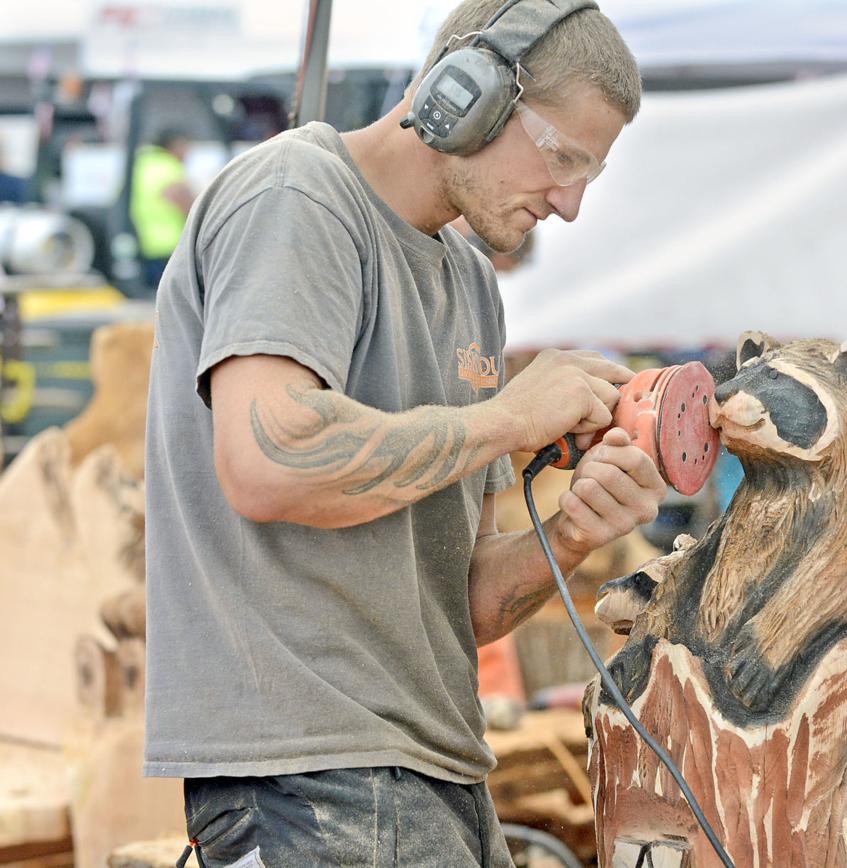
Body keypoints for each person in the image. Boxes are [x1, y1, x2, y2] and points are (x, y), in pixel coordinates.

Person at [143, 1, 656, 866]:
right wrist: (507, 419)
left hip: (433, 771)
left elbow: (461, 604)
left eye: (588, 176)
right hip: (307, 772)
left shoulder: (468, 281)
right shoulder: (298, 199)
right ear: (467, 93)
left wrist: (571, 532)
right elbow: (266, 460)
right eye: (561, 157)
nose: (567, 204)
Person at [129, 128, 194, 288]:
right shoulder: (168, 167)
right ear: (175, 146)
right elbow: (186, 204)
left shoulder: (142, 165)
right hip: (169, 245)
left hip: (145, 243)